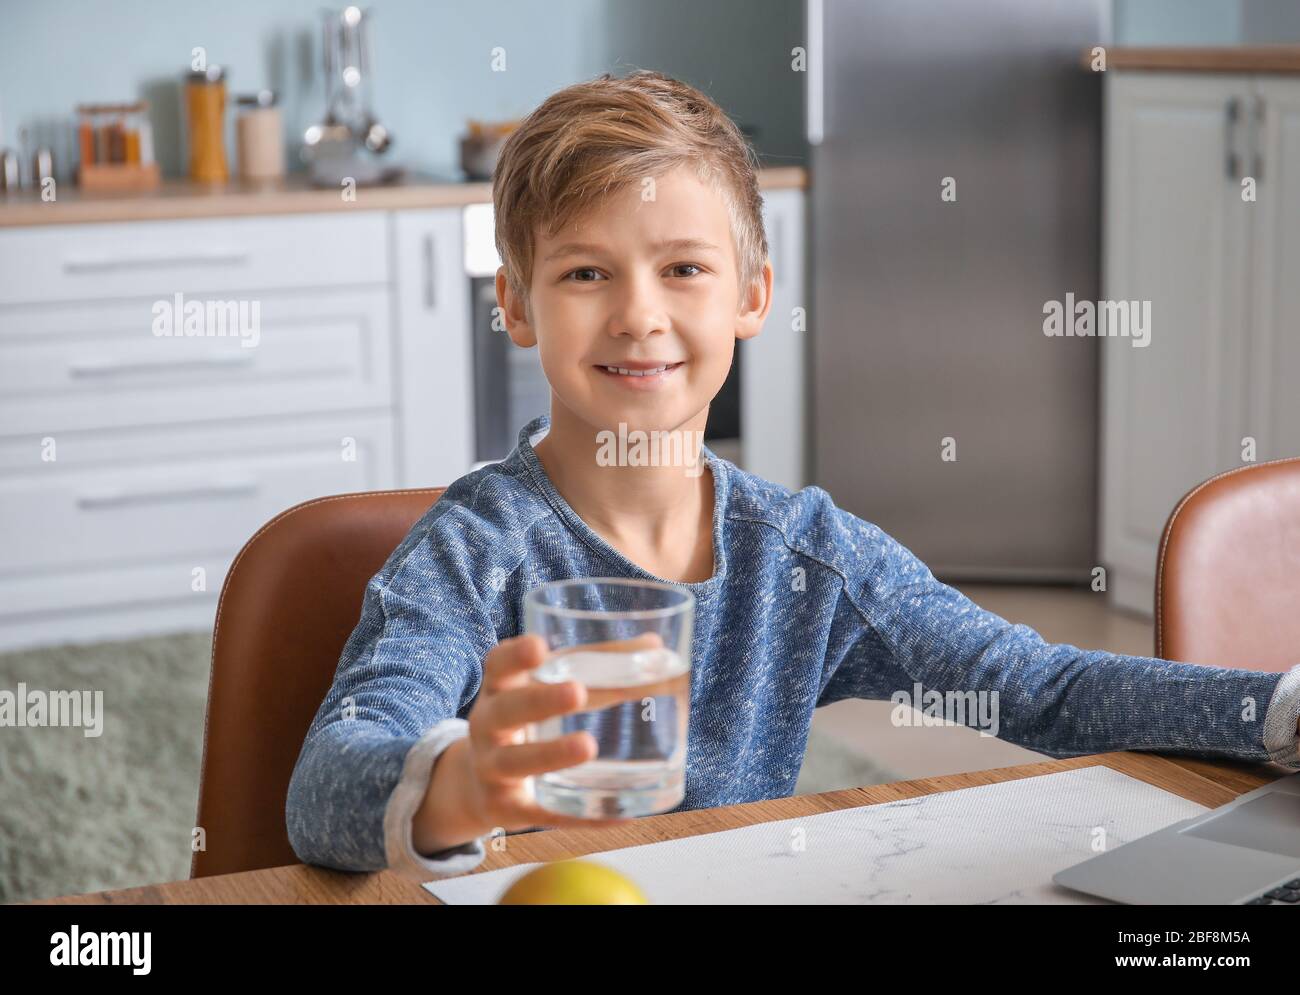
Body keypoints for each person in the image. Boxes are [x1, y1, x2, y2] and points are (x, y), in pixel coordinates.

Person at [285, 70, 1300, 882]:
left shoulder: (805, 556)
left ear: (752, 295)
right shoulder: (474, 549)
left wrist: (1281, 709)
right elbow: (327, 782)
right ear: (515, 305)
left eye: (682, 268)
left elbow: (1041, 685)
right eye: (585, 272)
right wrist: (463, 783)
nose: (638, 314)